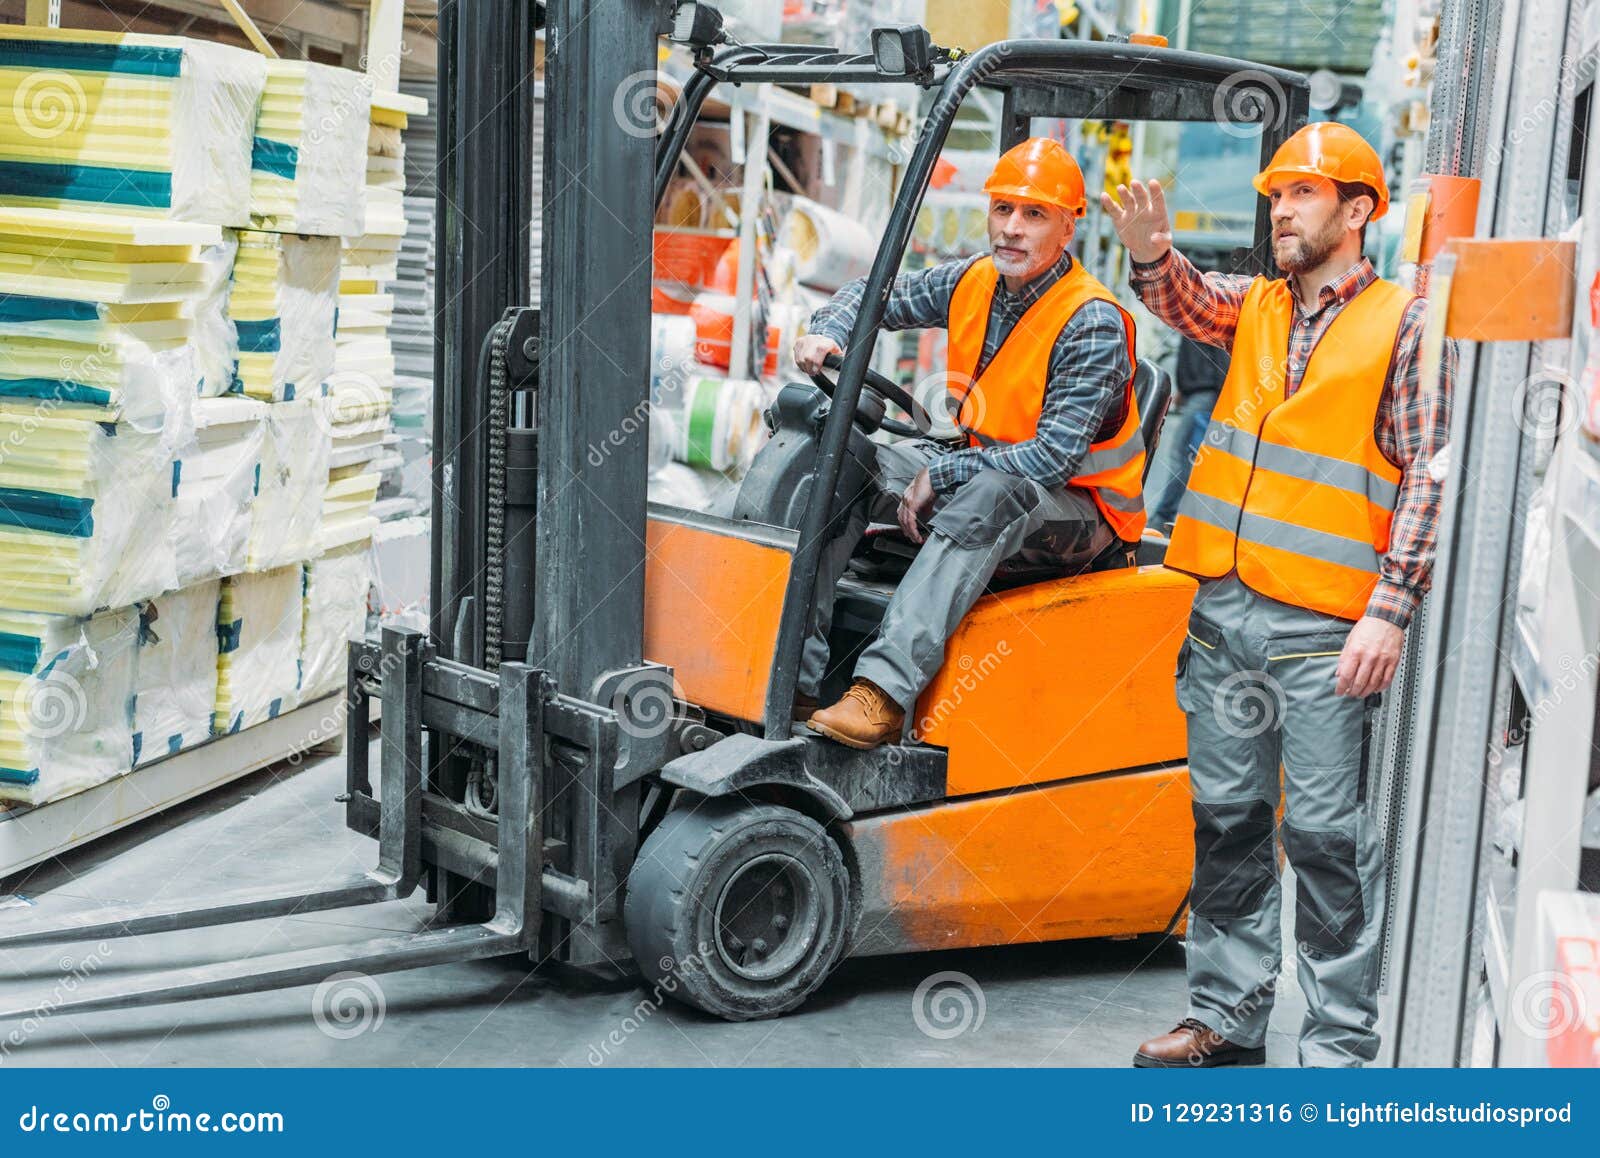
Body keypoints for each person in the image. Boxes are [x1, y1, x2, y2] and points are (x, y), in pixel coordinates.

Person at [1101, 121, 1455, 1067]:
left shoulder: (1406, 323)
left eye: (1302, 193)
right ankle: (1226, 1016)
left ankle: (1337, 1044)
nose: (1281, 211)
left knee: (1328, 842)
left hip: (1324, 631)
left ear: (1358, 209)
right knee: (1226, 825)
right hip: (1223, 618)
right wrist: (1151, 254)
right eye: (1275, 195)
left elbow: (1430, 473)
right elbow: (1186, 299)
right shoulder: (1258, 304)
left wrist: (1391, 608)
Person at [791, 137, 1146, 750]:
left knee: (991, 492)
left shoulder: (1091, 321)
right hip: (983, 470)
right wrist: (828, 331)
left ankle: (882, 692)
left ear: (1068, 227)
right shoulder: (973, 280)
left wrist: (943, 475)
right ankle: (793, 676)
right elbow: (871, 294)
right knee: (843, 454)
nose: (1012, 227)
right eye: (1003, 208)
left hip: (1082, 513)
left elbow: (1052, 459)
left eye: (1034, 214)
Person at [1146, 334, 1229, 531]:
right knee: (1186, 457)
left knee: (1185, 457)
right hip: (1199, 393)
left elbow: (1222, 359)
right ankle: (1171, 518)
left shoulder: (1209, 322)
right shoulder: (1199, 325)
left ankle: (1164, 518)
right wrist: (1185, 390)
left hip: (1205, 395)